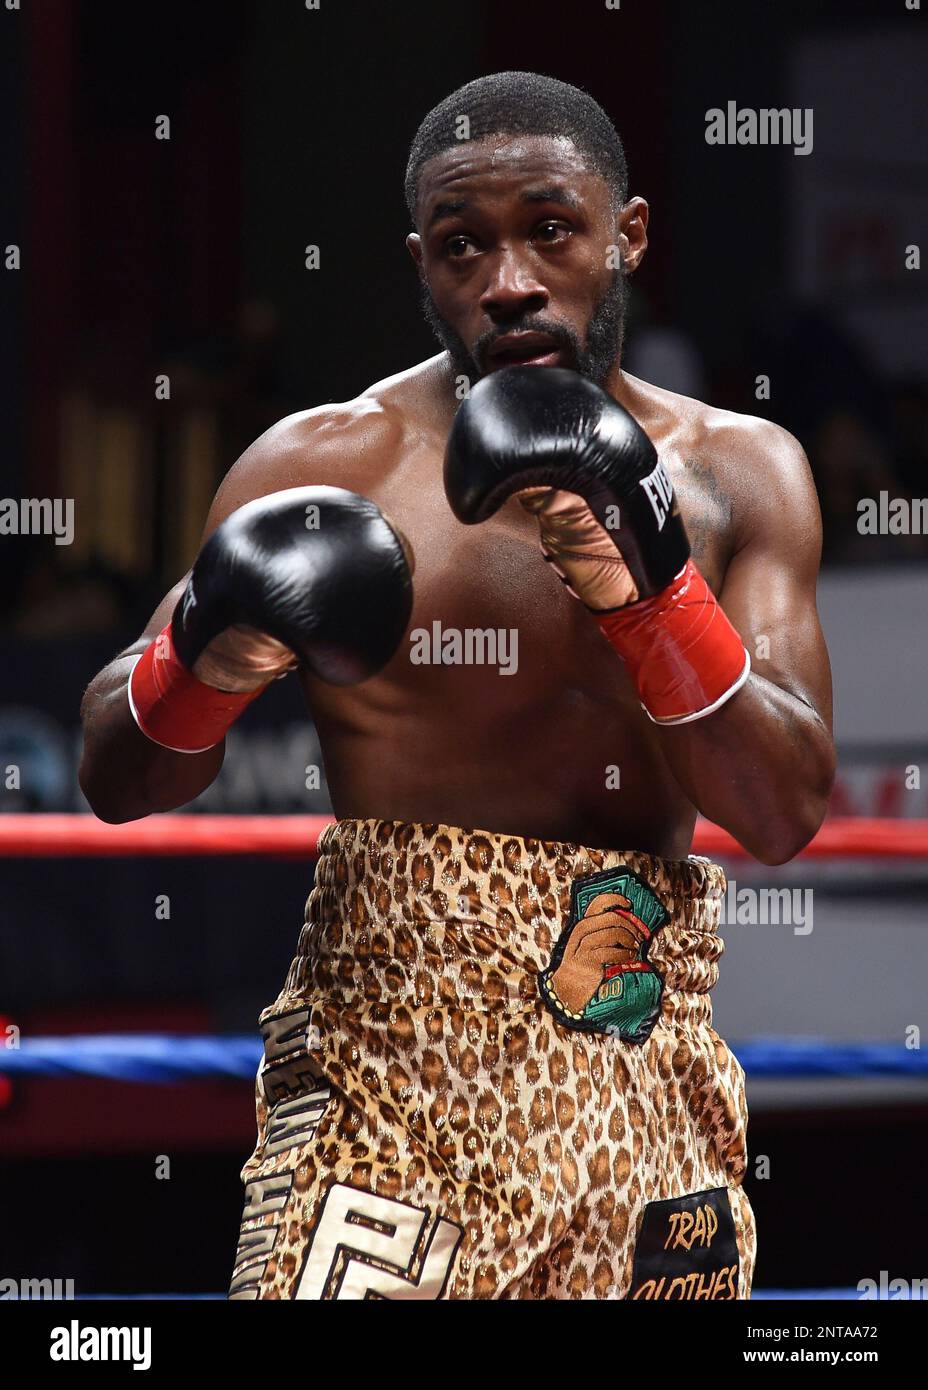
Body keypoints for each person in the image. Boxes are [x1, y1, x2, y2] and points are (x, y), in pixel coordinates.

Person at [79, 71, 835, 1300]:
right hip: (380, 1105)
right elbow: (116, 774)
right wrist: (211, 652)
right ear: (421, 264)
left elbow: (785, 808)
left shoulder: (740, 475)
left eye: (550, 228)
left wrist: (648, 587)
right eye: (461, 246)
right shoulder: (321, 463)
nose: (509, 280)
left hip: (638, 1097)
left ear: (626, 232)